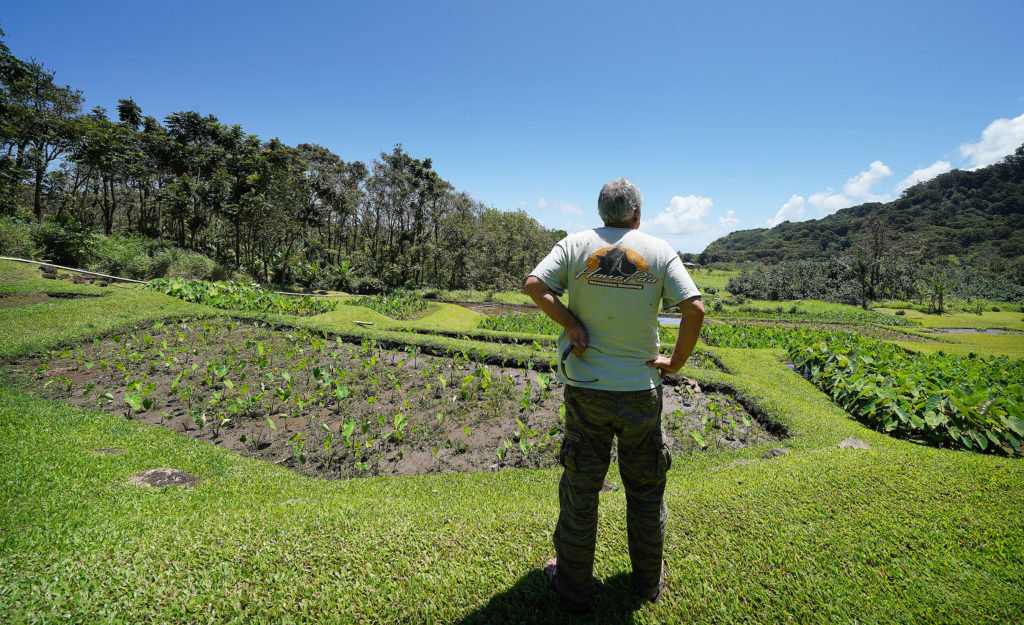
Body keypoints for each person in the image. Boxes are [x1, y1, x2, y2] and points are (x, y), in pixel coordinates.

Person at [524, 177, 705, 613]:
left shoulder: (574, 245)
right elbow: (694, 308)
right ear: (637, 214)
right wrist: (676, 363)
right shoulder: (659, 250)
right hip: (642, 390)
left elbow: (534, 284)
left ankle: (572, 587)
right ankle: (646, 584)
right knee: (645, 490)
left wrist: (571, 322)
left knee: (581, 489)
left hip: (586, 390)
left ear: (602, 212)